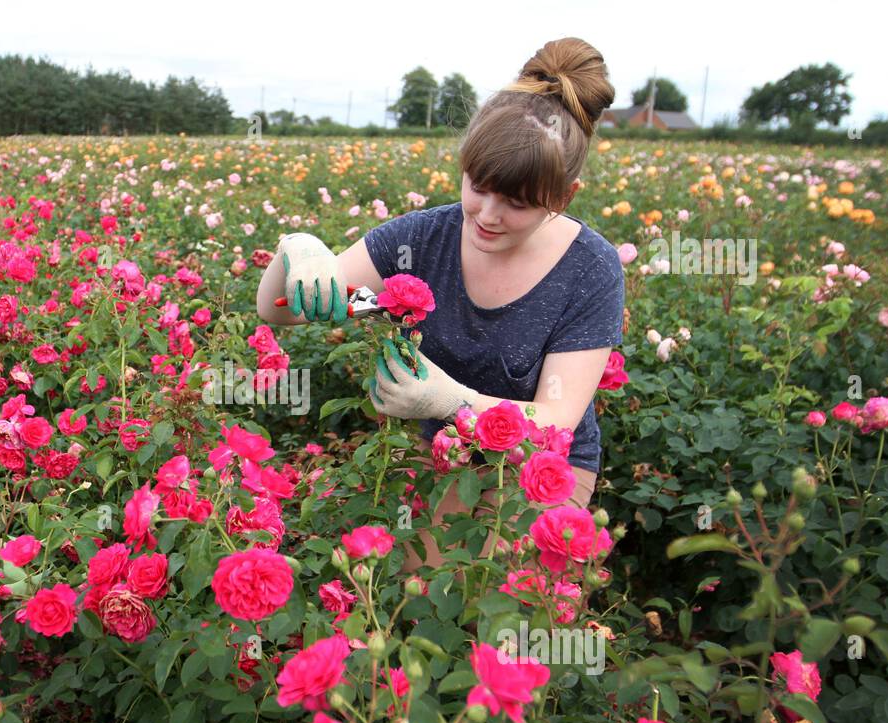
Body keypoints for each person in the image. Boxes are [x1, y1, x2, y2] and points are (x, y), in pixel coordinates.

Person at [256, 36, 625, 571]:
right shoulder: (426, 237)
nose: (488, 215)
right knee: (424, 595)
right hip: (444, 457)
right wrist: (297, 249)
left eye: (517, 203)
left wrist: (448, 400)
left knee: (497, 605)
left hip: (539, 469)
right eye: (478, 186)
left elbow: (555, 422)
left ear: (563, 197)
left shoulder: (590, 267)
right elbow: (280, 310)